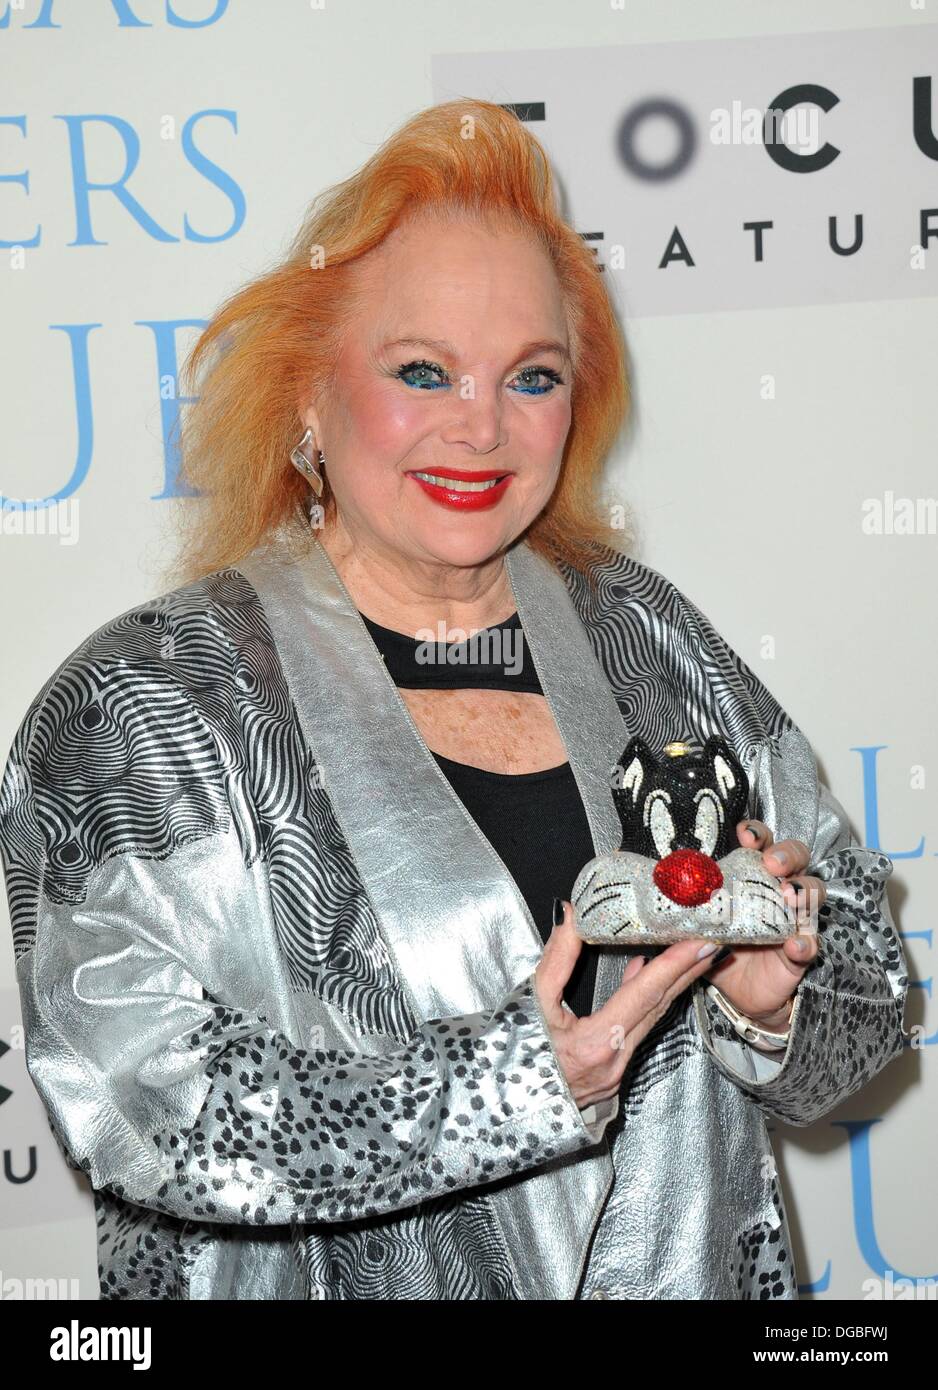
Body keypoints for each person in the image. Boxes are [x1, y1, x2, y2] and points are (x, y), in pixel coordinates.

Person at [0, 99, 908, 1301]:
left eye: (530, 376)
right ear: (308, 398)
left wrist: (770, 1000)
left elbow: (867, 991)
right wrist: (510, 1088)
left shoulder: (644, 634)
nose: (480, 426)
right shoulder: (145, 703)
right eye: (421, 370)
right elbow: (142, 1101)